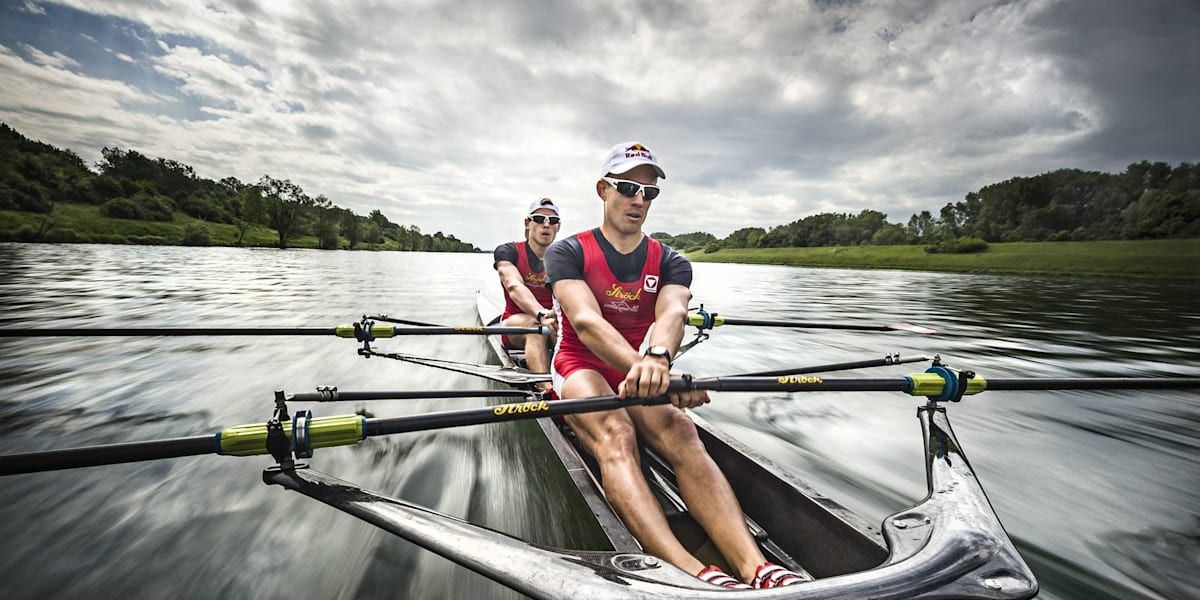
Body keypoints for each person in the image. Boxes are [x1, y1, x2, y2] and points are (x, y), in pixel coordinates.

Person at [544, 142, 804, 589]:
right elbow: (585, 321)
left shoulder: (670, 260)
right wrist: (643, 368)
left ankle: (756, 568)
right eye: (628, 188)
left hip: (640, 368)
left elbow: (673, 315)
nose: (639, 199)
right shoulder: (567, 252)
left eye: (650, 192)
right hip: (578, 364)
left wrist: (659, 358)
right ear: (603, 190)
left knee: (683, 431)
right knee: (617, 433)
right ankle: (688, 571)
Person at [493, 197, 562, 391]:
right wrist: (542, 314)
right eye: (539, 219)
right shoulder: (509, 251)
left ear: (558, 227)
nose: (546, 225)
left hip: (553, 323)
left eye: (553, 221)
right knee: (536, 327)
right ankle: (546, 391)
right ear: (527, 223)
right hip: (517, 325)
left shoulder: (565, 257)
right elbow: (514, 285)